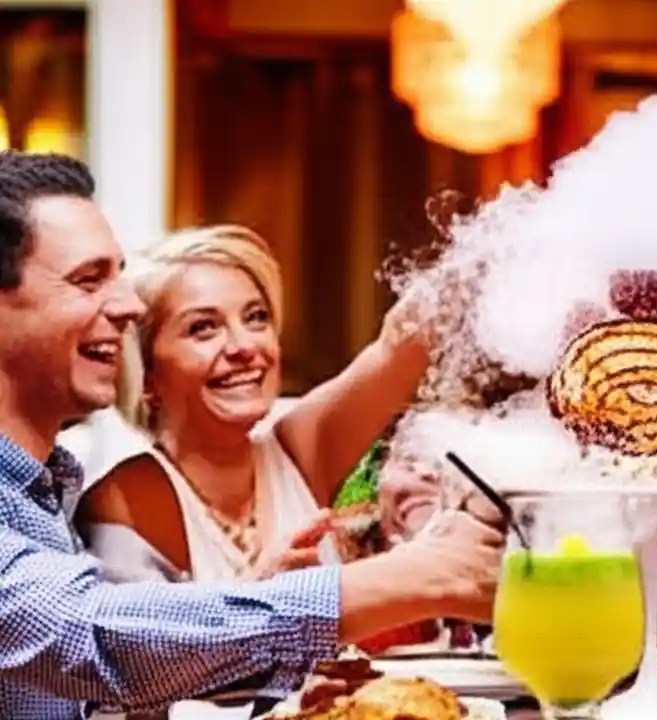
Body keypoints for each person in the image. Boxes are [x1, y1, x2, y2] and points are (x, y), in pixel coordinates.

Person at [0, 150, 501, 719]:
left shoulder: (42, 490)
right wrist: (423, 574)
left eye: (256, 317)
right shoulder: (105, 500)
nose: (127, 305)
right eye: (89, 280)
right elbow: (90, 638)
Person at [74, 224, 438, 586]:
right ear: (146, 377)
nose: (245, 347)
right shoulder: (122, 501)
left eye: (256, 318)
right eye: (203, 327)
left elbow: (401, 344)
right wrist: (260, 591)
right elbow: (134, 642)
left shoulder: (298, 451)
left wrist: (487, 244)